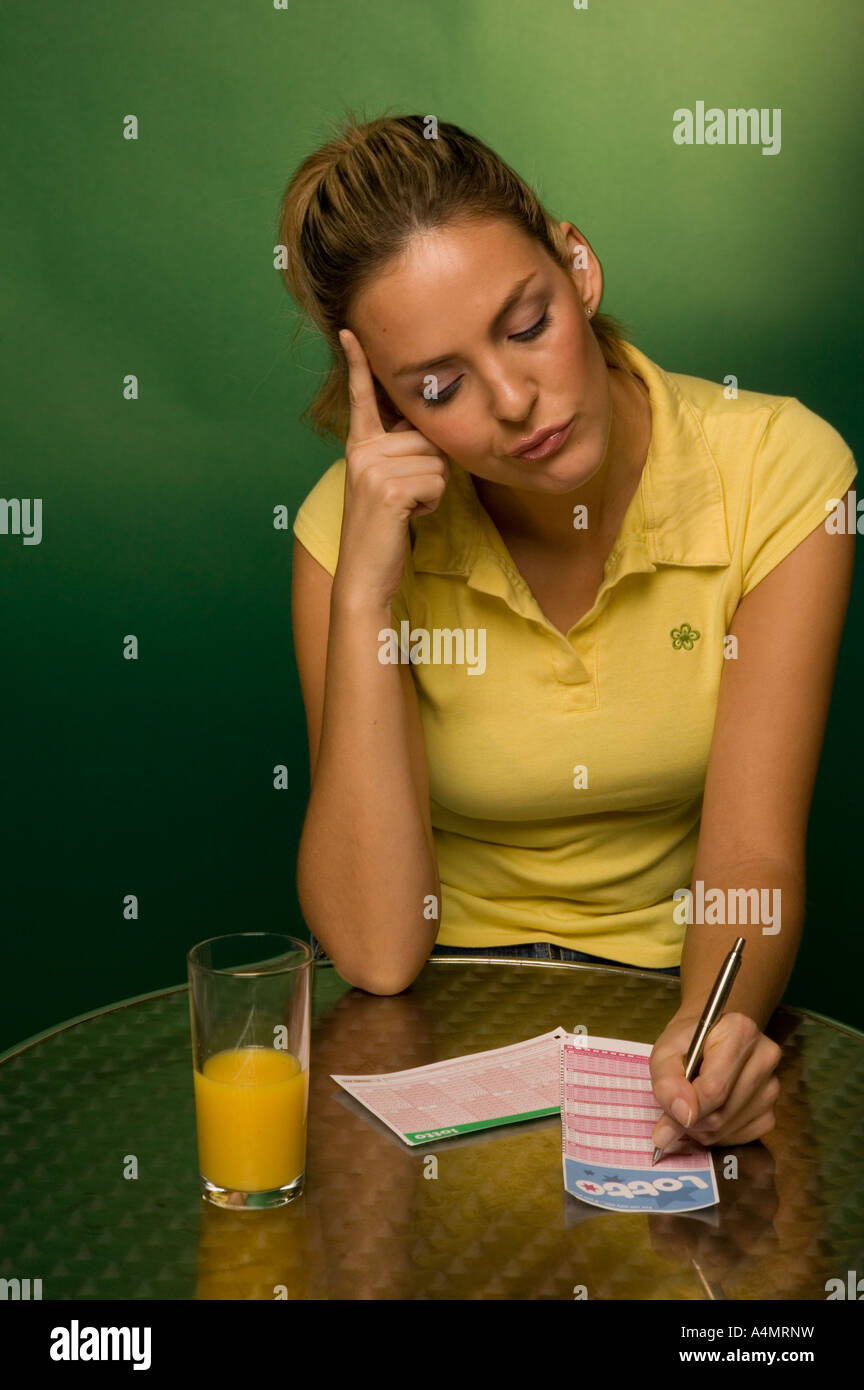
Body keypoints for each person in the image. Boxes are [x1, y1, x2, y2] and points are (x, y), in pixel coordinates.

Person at [280, 113, 857, 1158]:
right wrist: (366, 594)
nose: (514, 401)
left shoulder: (783, 473)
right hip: (427, 1028)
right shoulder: (343, 535)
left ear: (577, 265)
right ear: (385, 406)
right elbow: (374, 945)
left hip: (667, 1003)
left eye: (526, 322)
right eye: (440, 388)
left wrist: (712, 1027)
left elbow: (754, 848)